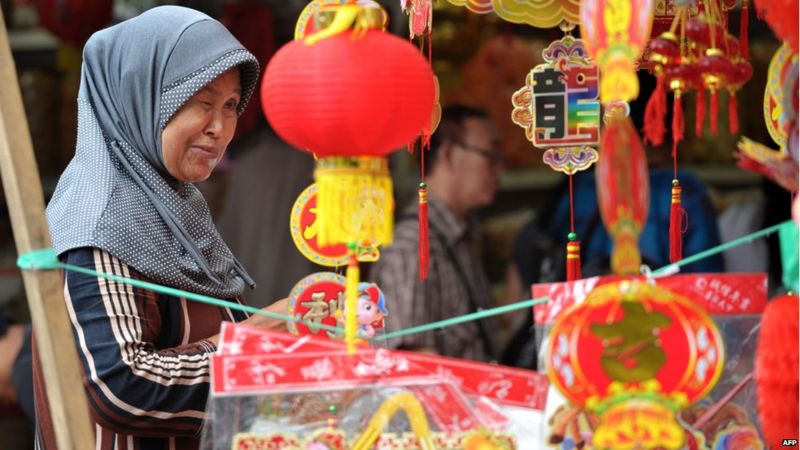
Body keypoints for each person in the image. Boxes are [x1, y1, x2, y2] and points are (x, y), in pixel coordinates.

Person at [38, 6, 287, 449]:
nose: (219, 128)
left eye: (230, 106)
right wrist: (259, 342)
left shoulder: (169, 204)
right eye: (203, 102)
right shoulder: (101, 216)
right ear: (141, 96)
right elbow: (121, 387)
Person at [368, 105, 504, 362]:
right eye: (491, 154)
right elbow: (412, 357)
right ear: (449, 153)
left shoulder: (458, 234)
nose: (499, 168)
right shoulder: (412, 246)